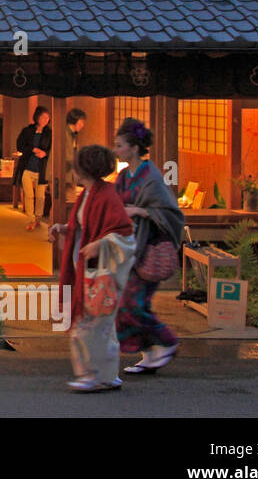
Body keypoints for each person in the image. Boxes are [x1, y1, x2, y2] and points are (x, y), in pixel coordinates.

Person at [49, 144, 136, 393]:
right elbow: (84, 225)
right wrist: (64, 228)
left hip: (98, 274)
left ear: (83, 169)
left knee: (89, 326)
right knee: (101, 326)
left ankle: (93, 375)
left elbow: (124, 233)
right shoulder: (90, 194)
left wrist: (100, 244)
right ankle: (107, 375)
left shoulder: (106, 196)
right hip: (88, 271)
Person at [113, 117, 184, 374]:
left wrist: (141, 211)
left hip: (148, 248)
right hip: (128, 247)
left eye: (119, 145)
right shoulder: (122, 176)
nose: (116, 150)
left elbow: (170, 213)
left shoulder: (152, 177)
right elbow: (113, 203)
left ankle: (166, 341)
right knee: (131, 303)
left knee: (130, 303)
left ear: (133, 147)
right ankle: (151, 352)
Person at [16, 106, 52, 232]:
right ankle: (30, 219)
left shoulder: (49, 133)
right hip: (27, 167)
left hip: (42, 169)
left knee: (41, 196)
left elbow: (52, 149)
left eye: (47, 117)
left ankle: (38, 218)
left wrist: (45, 153)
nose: (45, 120)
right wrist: (33, 149)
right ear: (37, 117)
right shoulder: (27, 131)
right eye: (43, 117)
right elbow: (20, 145)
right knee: (29, 195)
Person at [63, 108, 87, 204]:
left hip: (70, 173)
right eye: (81, 122)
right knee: (61, 204)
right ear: (74, 121)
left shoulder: (73, 134)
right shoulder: (64, 133)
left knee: (71, 201)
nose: (82, 125)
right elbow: (67, 155)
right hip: (62, 172)